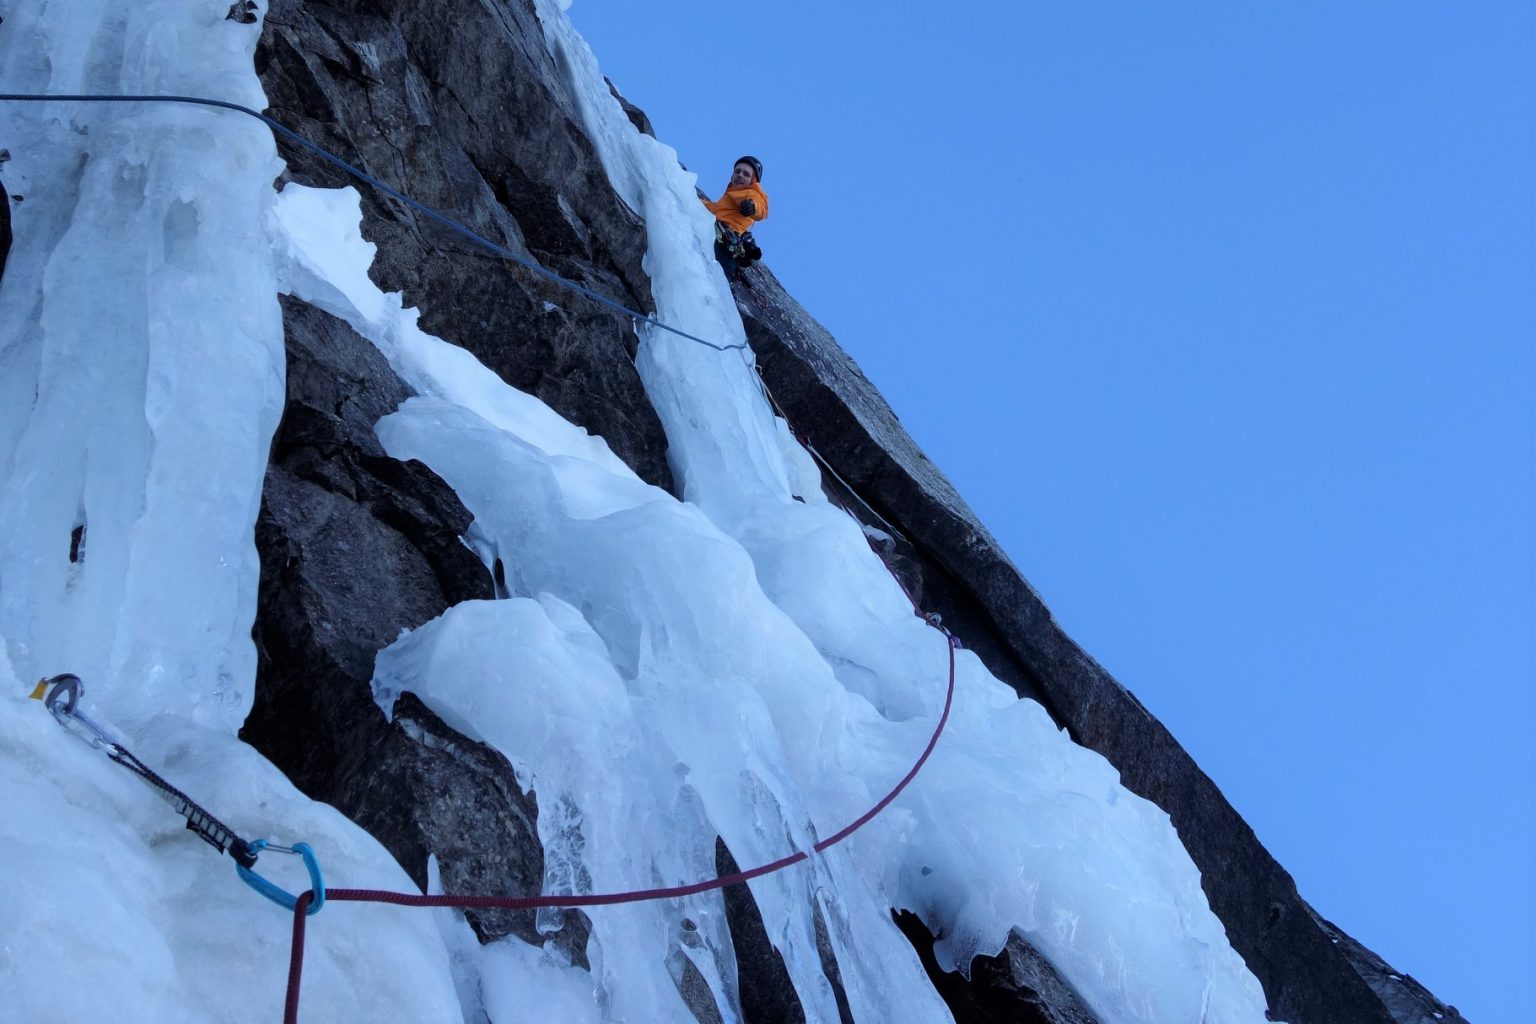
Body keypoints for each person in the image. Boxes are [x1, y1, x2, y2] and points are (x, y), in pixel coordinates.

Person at [700, 155, 768, 282]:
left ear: (753, 181)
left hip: (725, 240)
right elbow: (713, 208)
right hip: (718, 233)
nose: (740, 175)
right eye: (737, 171)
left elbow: (762, 208)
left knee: (719, 278)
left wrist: (752, 206)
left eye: (746, 174)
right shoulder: (730, 196)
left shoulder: (751, 193)